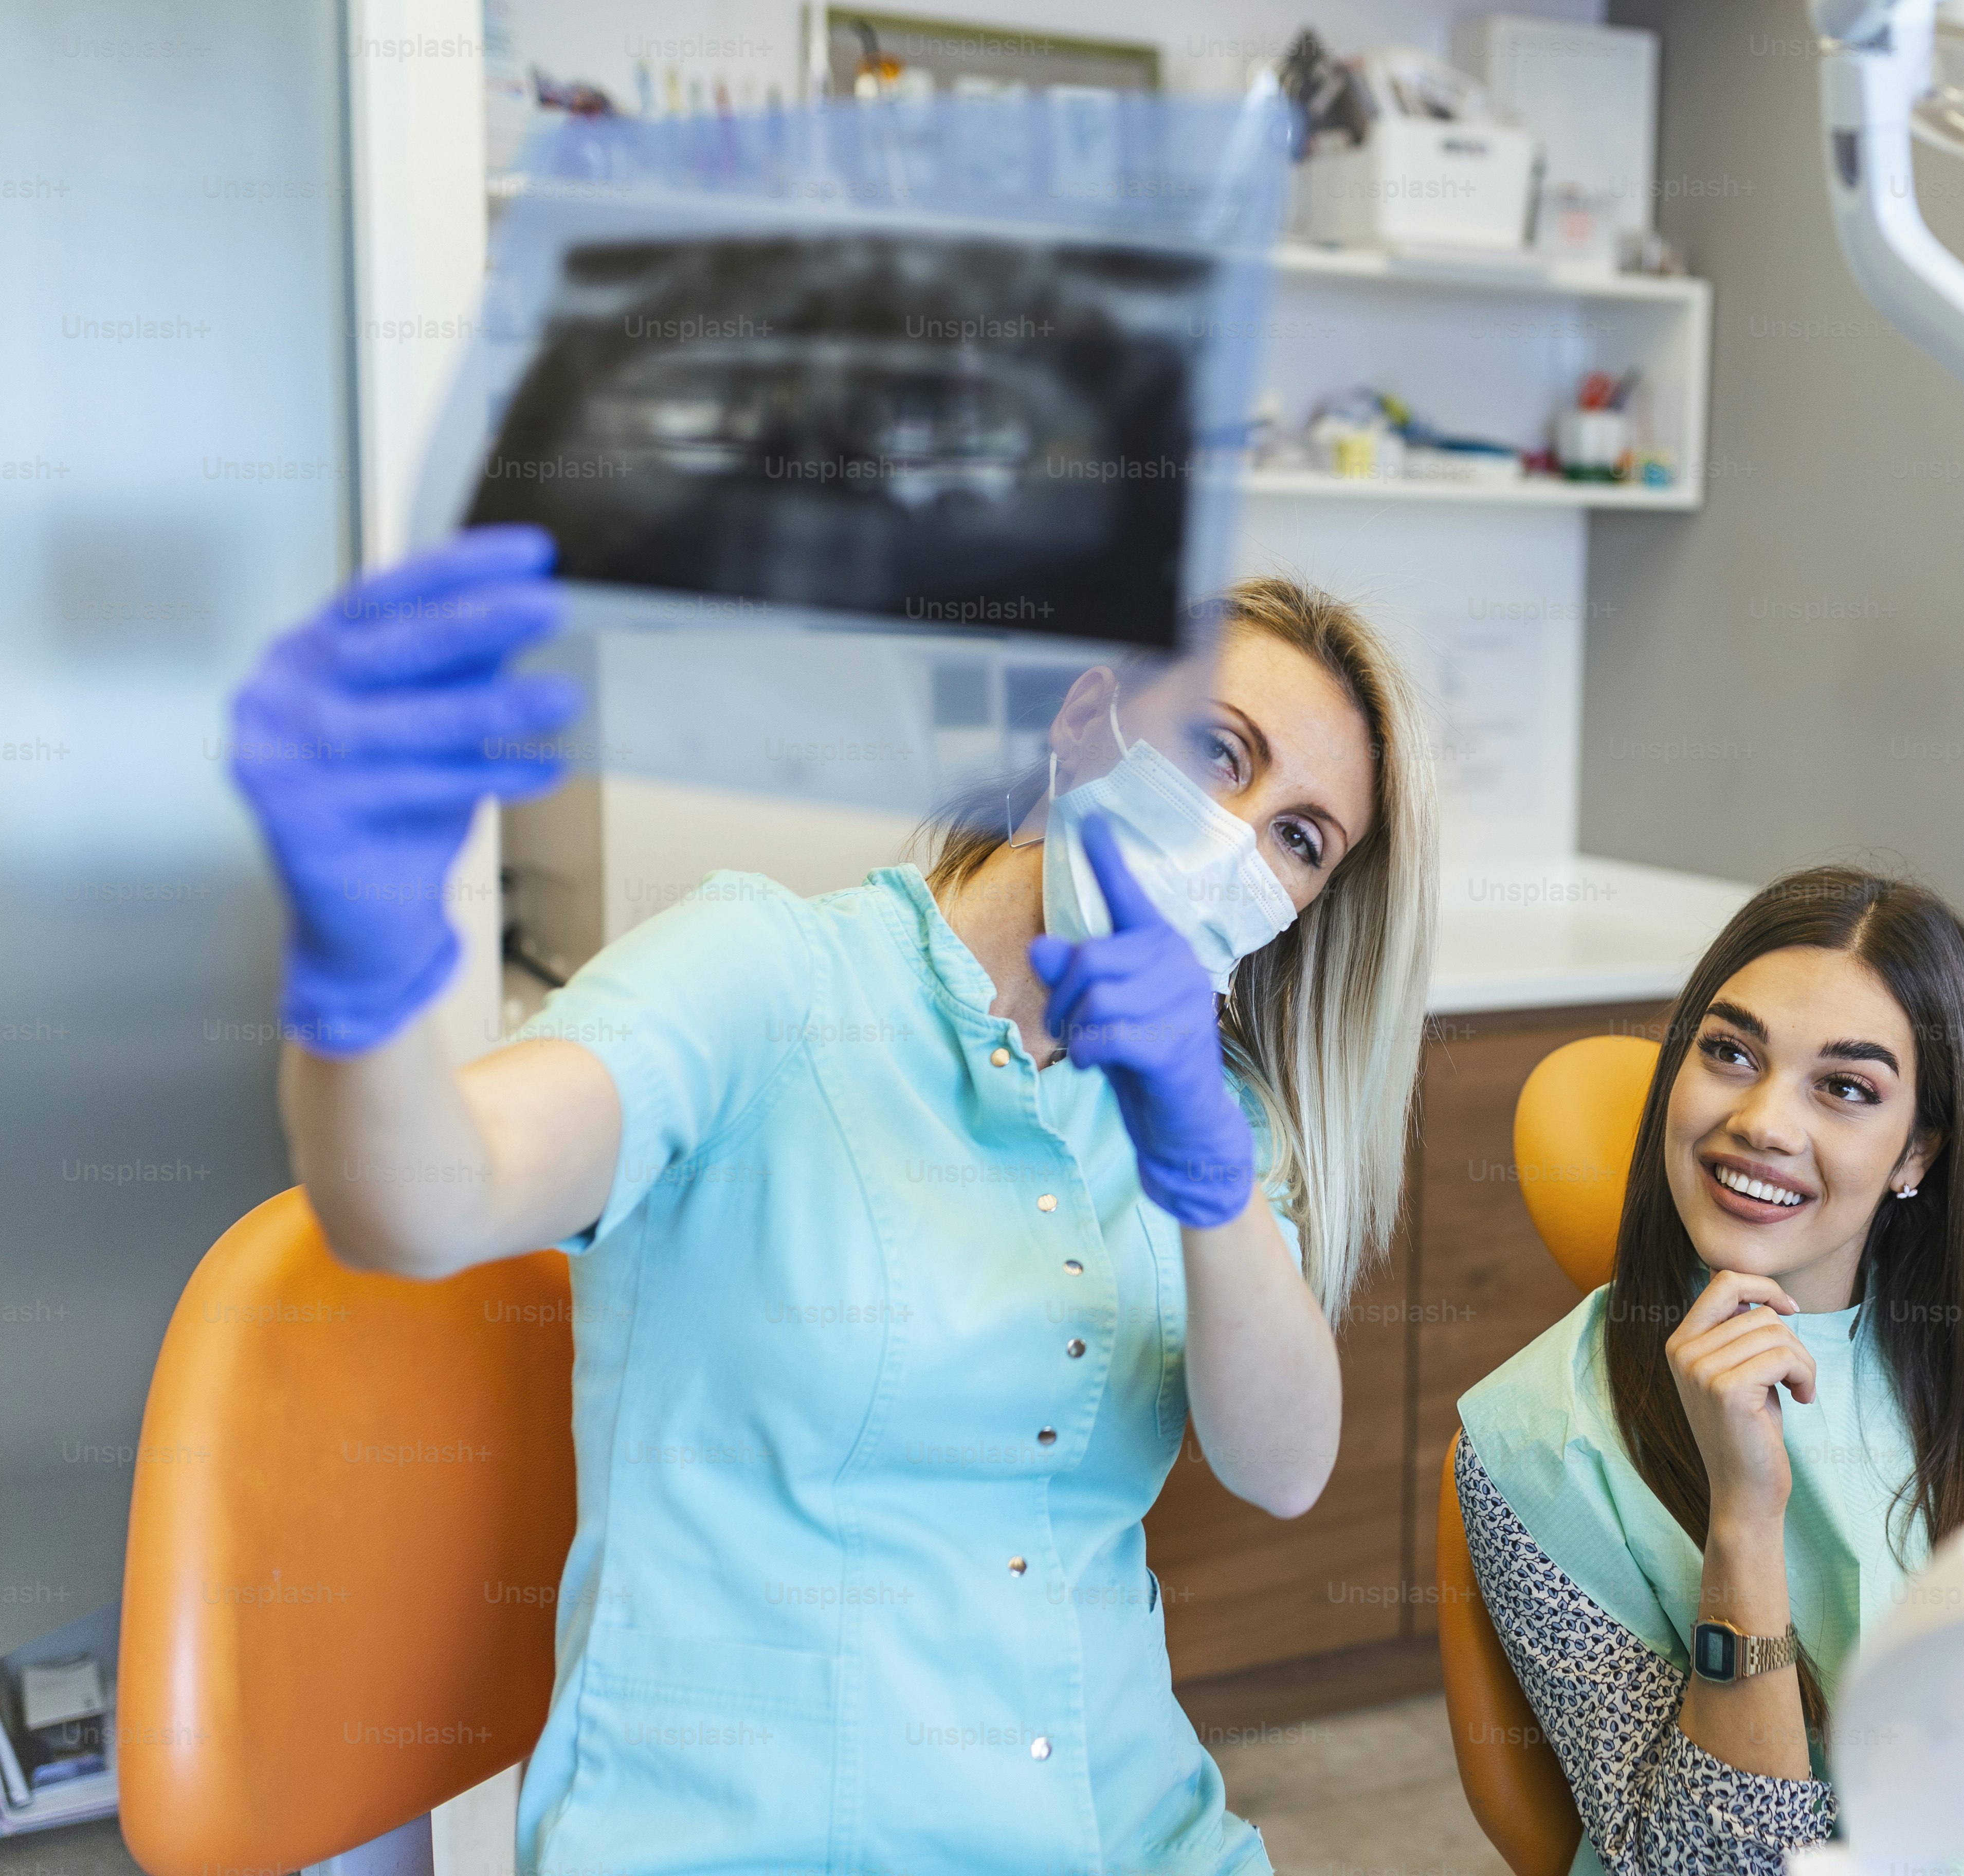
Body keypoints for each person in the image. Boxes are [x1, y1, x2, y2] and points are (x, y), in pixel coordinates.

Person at [226, 526, 1434, 1874]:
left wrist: (1208, 1171)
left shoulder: (1203, 1113)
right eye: (1220, 750)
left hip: (1125, 1831)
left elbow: (1283, 1469)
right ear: (1089, 715)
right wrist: (362, 962)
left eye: (1299, 840)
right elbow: (427, 1200)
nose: (1234, 839)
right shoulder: (771, 979)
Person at [1453, 865, 1964, 1876]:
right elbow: (1711, 1869)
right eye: (1728, 1052)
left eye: (1845, 1088)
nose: (1765, 1121)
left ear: (1916, 1153)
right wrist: (1743, 1525)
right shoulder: (1537, 1444)